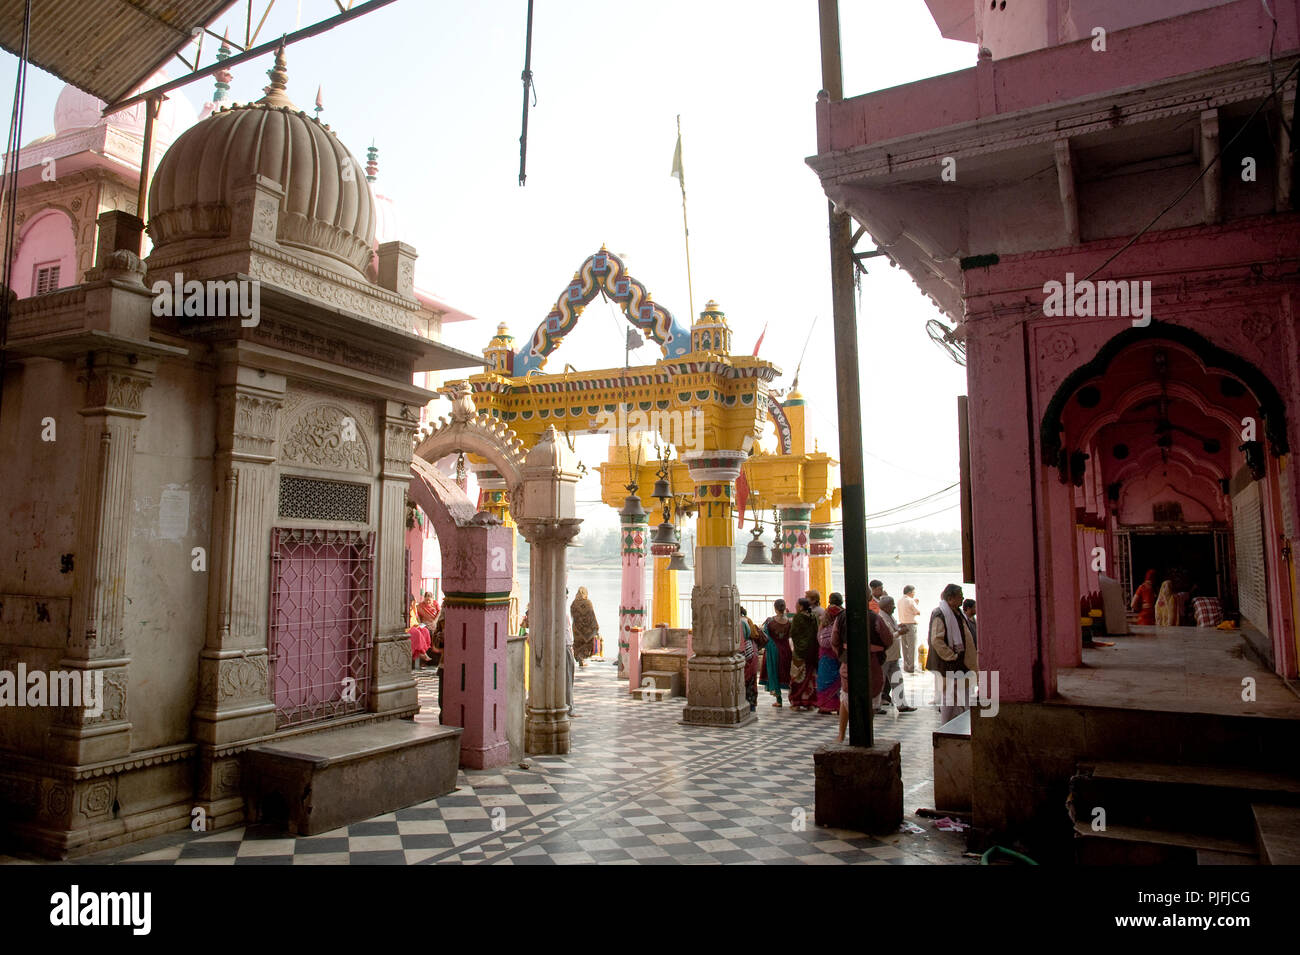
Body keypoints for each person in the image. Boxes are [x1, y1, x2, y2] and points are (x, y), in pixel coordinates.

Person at [833, 594, 895, 742]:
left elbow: (834, 640)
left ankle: (841, 735)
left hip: (849, 661)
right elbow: (888, 639)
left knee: (846, 694)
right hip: (871, 662)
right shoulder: (874, 618)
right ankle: (865, 734)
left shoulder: (842, 617)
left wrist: (843, 654)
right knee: (870, 696)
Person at [927, 583, 978, 726]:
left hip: (961, 663)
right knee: (949, 697)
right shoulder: (941, 614)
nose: (962, 599)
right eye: (959, 596)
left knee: (961, 695)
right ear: (950, 598)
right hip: (950, 664)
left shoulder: (956, 611)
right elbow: (937, 640)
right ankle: (946, 727)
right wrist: (952, 657)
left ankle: (959, 725)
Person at [877, 595, 915, 713]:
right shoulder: (881, 618)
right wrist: (899, 632)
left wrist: (898, 628)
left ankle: (902, 704)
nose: (894, 607)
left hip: (893, 655)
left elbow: (892, 630)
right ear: (886, 606)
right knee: (880, 682)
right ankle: (875, 706)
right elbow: (887, 637)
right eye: (892, 605)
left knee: (897, 679)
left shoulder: (889, 616)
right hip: (886, 655)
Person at [788, 597, 820, 710]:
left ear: (801, 607)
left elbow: (793, 634)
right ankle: (810, 702)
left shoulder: (798, 617)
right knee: (810, 677)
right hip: (812, 651)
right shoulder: (814, 617)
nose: (795, 606)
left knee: (797, 678)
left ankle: (796, 702)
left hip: (800, 652)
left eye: (797, 604)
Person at [815, 594, 845, 714]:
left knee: (825, 679)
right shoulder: (843, 615)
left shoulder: (827, 618)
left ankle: (826, 705)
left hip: (826, 654)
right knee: (838, 679)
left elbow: (822, 635)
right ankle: (839, 705)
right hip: (837, 652)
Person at [761, 599, 792, 707]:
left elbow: (764, 635)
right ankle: (792, 698)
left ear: (775, 608)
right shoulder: (789, 622)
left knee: (774, 673)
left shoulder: (770, 621)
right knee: (787, 673)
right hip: (786, 650)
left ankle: (779, 700)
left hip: (773, 650)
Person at [569, 586, 600, 667]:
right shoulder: (588, 603)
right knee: (590, 643)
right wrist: (596, 627)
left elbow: (573, 616)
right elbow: (591, 616)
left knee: (578, 643)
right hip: (587, 629)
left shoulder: (573, 603)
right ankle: (581, 657)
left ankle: (580, 660)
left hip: (576, 628)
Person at [739, 607, 760, 712]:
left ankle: (745, 703)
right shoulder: (747, 620)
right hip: (751, 651)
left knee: (744, 680)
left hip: (745, 653)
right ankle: (752, 704)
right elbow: (751, 634)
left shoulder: (740, 622)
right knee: (751, 680)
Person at [898, 585, 922, 673]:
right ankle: (912, 667)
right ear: (910, 592)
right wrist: (916, 603)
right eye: (914, 592)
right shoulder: (910, 601)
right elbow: (918, 612)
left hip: (902, 624)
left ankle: (906, 666)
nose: (914, 594)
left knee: (904, 646)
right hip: (911, 625)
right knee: (912, 646)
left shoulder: (900, 600)